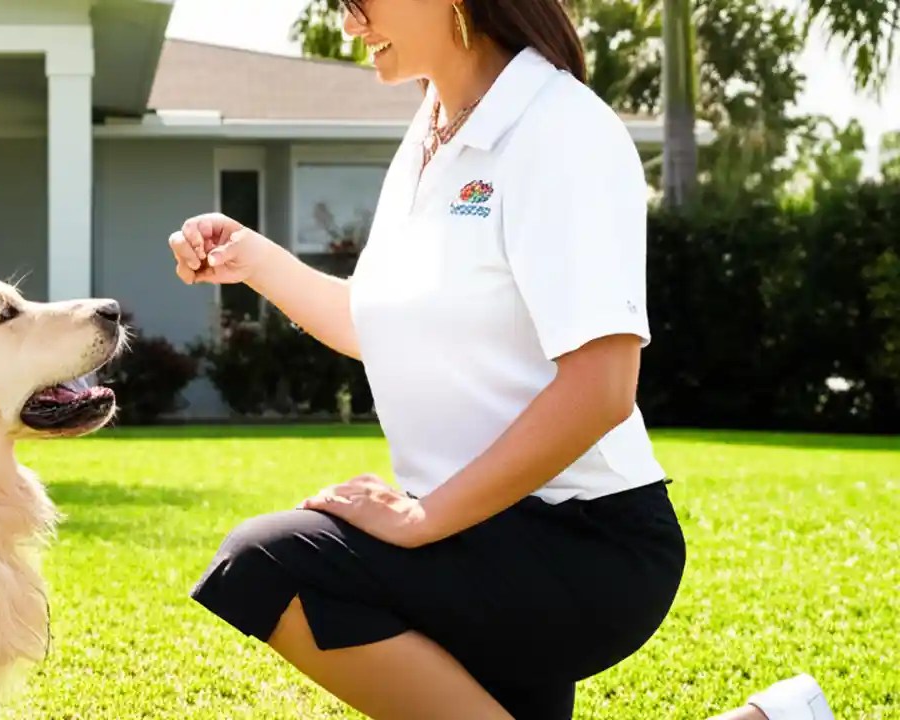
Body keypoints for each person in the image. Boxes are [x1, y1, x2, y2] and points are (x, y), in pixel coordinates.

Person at [165, 1, 836, 718]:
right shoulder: (431, 132)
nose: (350, 23)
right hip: (480, 534)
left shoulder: (560, 129)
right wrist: (253, 259)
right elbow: (381, 328)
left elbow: (602, 387)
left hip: (581, 542)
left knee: (268, 562)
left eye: (361, 1)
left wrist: (423, 520)